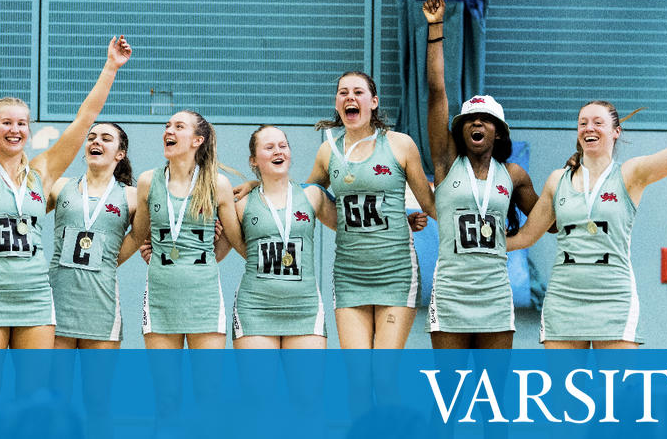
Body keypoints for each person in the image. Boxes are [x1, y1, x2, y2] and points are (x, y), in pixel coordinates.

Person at [508, 50, 667, 348]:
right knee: (563, 394)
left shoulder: (631, 174)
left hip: (614, 298)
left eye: (597, 122)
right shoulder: (557, 179)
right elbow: (526, 236)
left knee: (616, 394)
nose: (589, 127)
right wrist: (480, 244)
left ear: (616, 132)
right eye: (583, 123)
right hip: (564, 300)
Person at [0, 11, 132, 349]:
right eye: (6, 123)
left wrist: (111, 68)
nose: (15, 129)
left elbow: (84, 121)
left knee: (34, 398)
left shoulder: (41, 173)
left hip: (36, 296)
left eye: (22, 123)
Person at [422, 0, 538, 349]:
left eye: (485, 120)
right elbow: (437, 92)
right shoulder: (445, 163)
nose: (476, 123)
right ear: (461, 129)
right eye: (469, 119)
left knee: (492, 399)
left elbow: (549, 217)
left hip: (496, 297)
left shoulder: (514, 175)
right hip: (451, 295)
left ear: (498, 130)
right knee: (450, 398)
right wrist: (436, 28)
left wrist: (577, 172)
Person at [307, 71, 436, 349]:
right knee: (358, 379)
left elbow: (431, 205)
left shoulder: (400, 144)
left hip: (396, 272)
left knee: (384, 375)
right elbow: (306, 199)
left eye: (358, 92)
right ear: (337, 102)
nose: (350, 97)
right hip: (349, 275)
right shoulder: (328, 152)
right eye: (343, 92)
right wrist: (258, 184)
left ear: (374, 102)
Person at [122, 110, 245, 349]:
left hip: (205, 297)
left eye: (179, 127)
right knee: (166, 388)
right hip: (160, 297)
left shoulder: (217, 184)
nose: (168, 130)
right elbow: (138, 235)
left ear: (197, 140)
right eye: (167, 126)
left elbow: (235, 238)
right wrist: (108, 264)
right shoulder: (148, 181)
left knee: (207, 387)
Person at [231, 125, 336, 349]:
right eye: (269, 147)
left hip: (304, 309)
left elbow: (351, 227)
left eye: (283, 146)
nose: (278, 151)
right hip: (255, 309)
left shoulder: (312, 195)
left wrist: (402, 221)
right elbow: (215, 250)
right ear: (253, 160)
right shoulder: (241, 204)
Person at [48, 122, 138, 348]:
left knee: (97, 385)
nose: (96, 141)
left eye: (106, 138)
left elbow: (142, 236)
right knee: (56, 384)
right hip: (57, 300)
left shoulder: (132, 196)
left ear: (120, 154)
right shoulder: (60, 186)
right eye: (92, 137)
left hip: (101, 304)